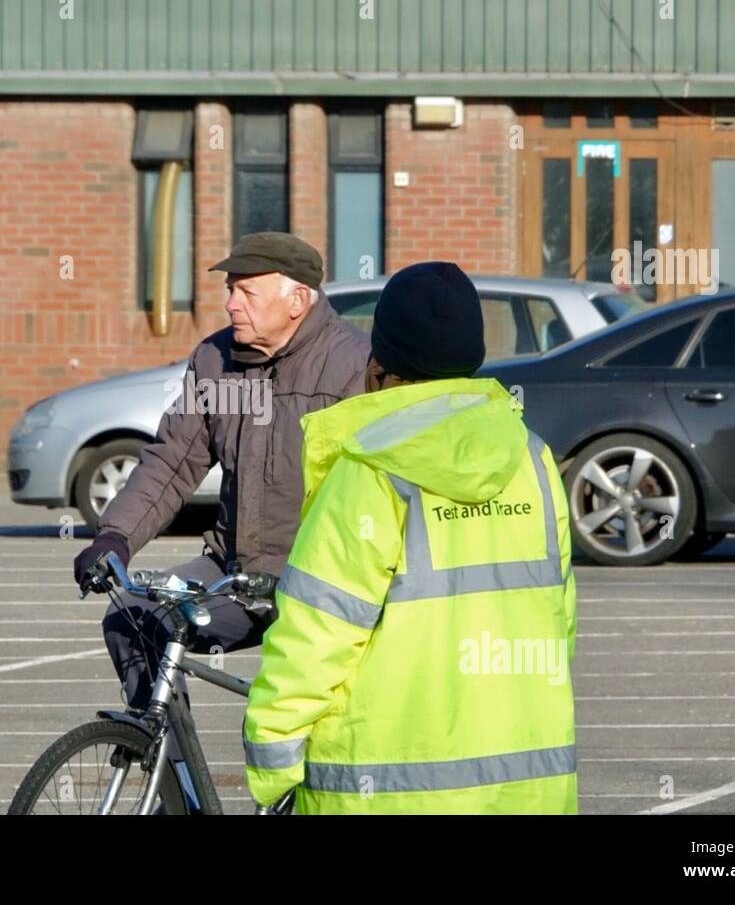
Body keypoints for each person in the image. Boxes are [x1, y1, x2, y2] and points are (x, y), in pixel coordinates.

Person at [243, 261, 578, 814]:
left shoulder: (370, 468)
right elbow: (557, 619)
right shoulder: (533, 459)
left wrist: (271, 753)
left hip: (389, 786)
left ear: (380, 363)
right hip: (527, 781)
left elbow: (319, 629)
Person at [73, 231, 369, 714]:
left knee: (307, 717)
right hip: (232, 573)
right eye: (229, 290)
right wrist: (115, 538)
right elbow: (173, 458)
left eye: (246, 292)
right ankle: (171, 772)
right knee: (135, 620)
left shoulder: (354, 366)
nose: (231, 304)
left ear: (297, 300)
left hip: (320, 579)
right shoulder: (216, 360)